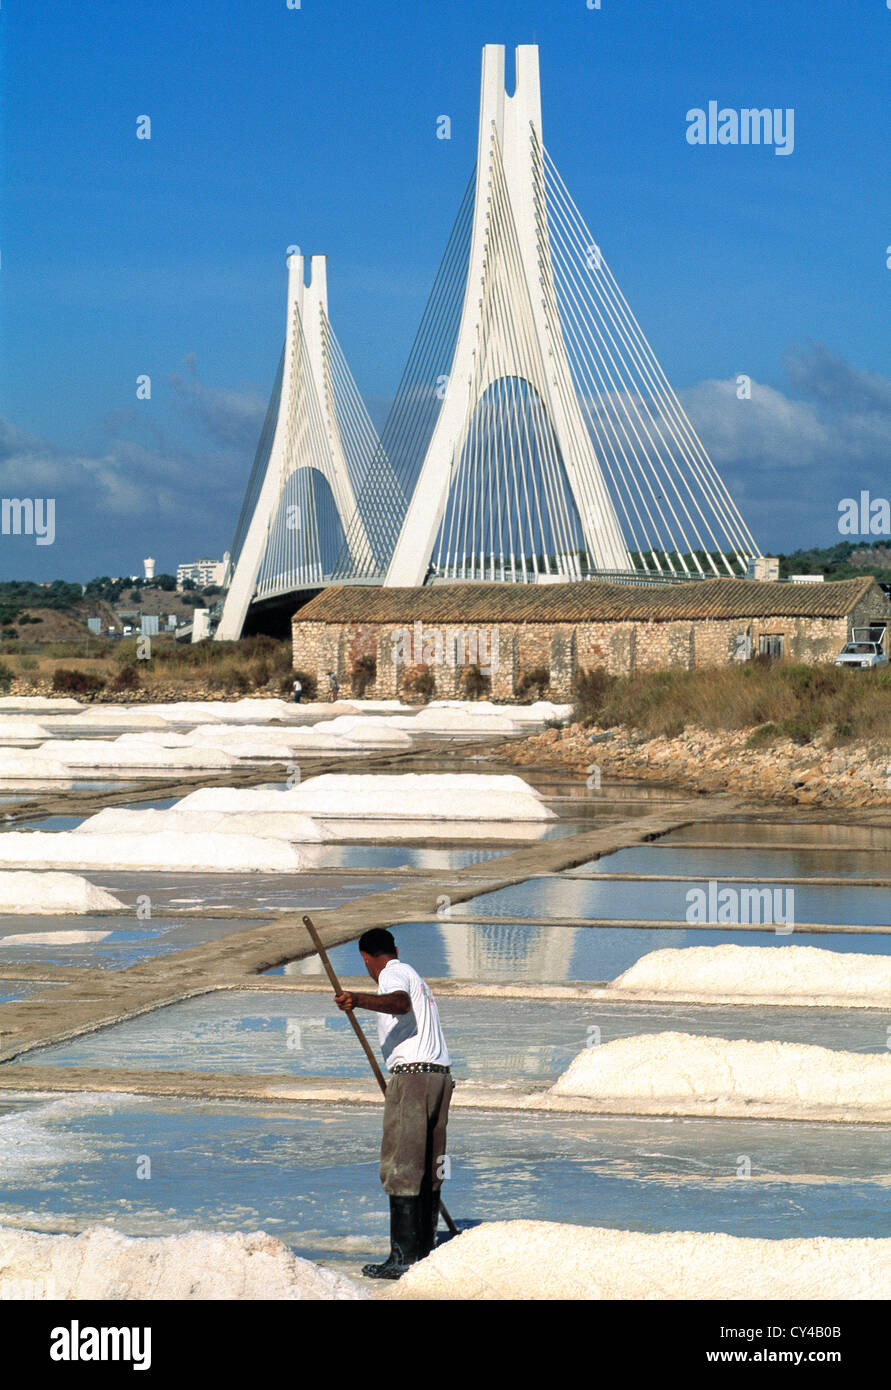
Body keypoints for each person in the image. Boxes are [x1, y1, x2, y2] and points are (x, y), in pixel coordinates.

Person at [335, 928, 453, 1280]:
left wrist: (357, 998)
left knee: (401, 1166)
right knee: (429, 1167)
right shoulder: (415, 975)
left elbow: (399, 1003)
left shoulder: (393, 974)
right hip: (439, 1077)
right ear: (396, 948)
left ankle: (403, 1259)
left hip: (414, 1078)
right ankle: (425, 1252)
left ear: (366, 958)